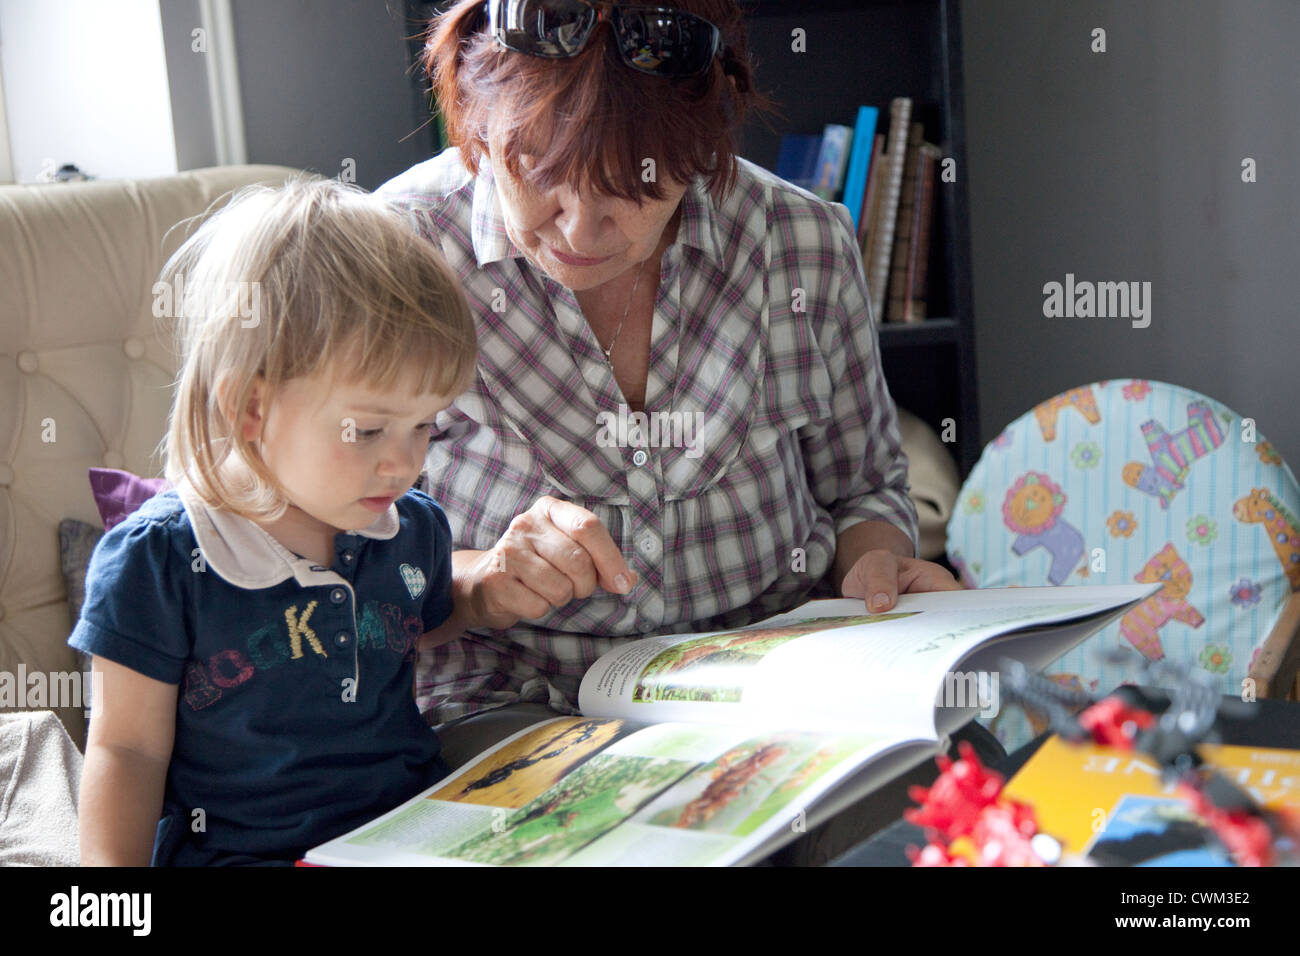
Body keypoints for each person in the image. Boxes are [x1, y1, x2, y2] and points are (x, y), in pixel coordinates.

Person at [71, 178, 478, 865]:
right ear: (250, 410)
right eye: (369, 429)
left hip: (414, 835)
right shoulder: (159, 561)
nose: (403, 463)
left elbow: (422, 619)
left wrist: (499, 589)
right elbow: (128, 750)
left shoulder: (412, 529)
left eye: (425, 425)